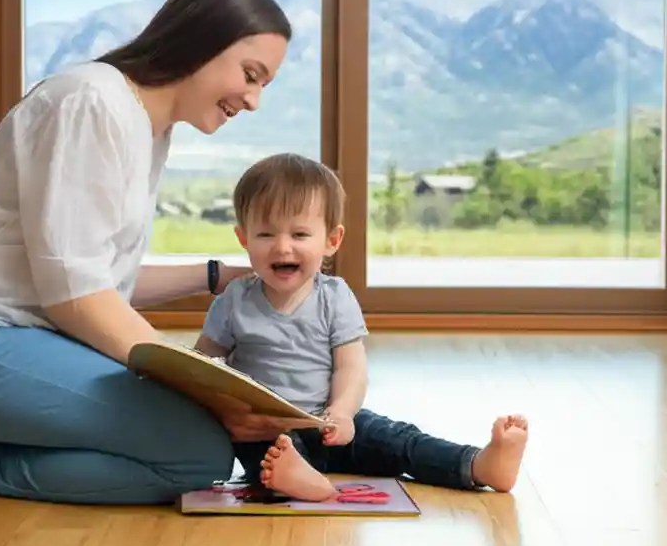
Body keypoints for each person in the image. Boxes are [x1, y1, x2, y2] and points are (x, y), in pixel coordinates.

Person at [0, 0, 312, 505]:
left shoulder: (147, 129)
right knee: (196, 453)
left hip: (20, 338)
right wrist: (199, 385)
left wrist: (223, 277)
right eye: (250, 75)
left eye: (263, 85)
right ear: (203, 41)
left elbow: (97, 281)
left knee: (199, 447)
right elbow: (75, 297)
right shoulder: (92, 103)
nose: (253, 100)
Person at [194, 153, 530, 501]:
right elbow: (201, 365)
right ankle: (296, 477)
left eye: (299, 234)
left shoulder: (335, 297)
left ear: (332, 240)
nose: (283, 246)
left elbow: (351, 367)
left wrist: (341, 412)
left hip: (330, 422)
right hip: (268, 427)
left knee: (398, 439)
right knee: (265, 455)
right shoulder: (234, 301)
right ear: (244, 238)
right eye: (266, 234)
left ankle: (479, 464)